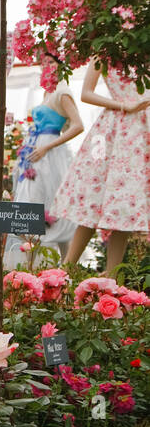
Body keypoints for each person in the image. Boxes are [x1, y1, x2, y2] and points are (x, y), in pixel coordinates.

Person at [52, 64, 150, 274]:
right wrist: (124, 105)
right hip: (113, 128)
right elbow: (86, 93)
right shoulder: (106, 47)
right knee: (94, 198)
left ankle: (111, 279)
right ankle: (66, 271)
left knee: (125, 207)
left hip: (140, 131)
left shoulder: (141, 47)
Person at [3, 85, 83, 269]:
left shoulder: (62, 92)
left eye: (50, 60)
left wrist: (48, 146)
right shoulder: (47, 91)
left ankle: (60, 265)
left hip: (50, 154)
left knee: (51, 205)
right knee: (33, 202)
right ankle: (30, 264)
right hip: (36, 154)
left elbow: (78, 125)